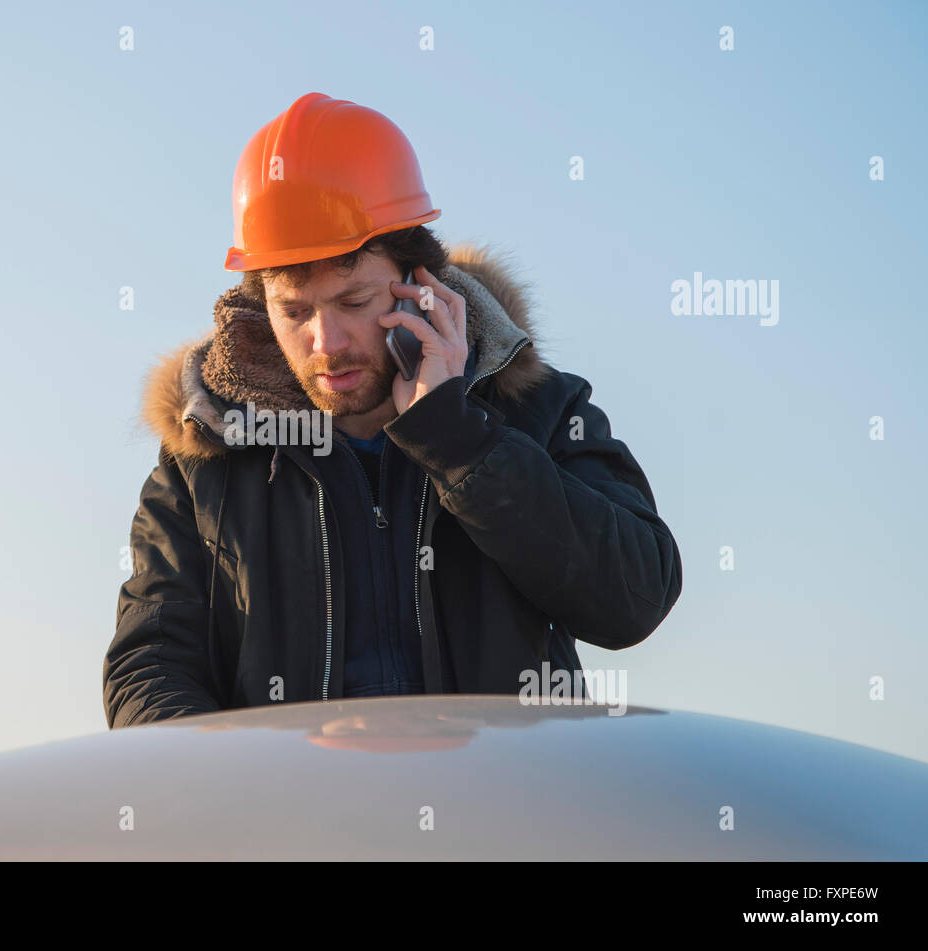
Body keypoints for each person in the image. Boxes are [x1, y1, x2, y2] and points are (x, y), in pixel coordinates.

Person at [103, 92, 681, 728]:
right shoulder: (206, 449)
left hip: (506, 815)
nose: (327, 343)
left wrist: (458, 440)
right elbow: (149, 666)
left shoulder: (537, 407)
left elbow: (636, 598)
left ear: (418, 285)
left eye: (353, 301)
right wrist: (240, 801)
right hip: (294, 820)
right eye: (295, 312)